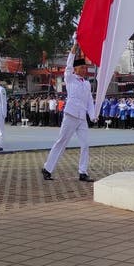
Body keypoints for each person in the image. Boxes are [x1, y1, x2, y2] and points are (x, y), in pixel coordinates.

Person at [42, 44, 95, 182]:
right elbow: (69, 65)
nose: (84, 70)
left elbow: (89, 101)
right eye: (82, 67)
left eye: (85, 67)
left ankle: (83, 172)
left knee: (85, 144)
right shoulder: (70, 78)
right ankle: (47, 168)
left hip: (82, 117)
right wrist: (74, 48)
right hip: (71, 115)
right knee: (62, 142)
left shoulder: (87, 84)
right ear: (76, 69)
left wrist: (93, 115)